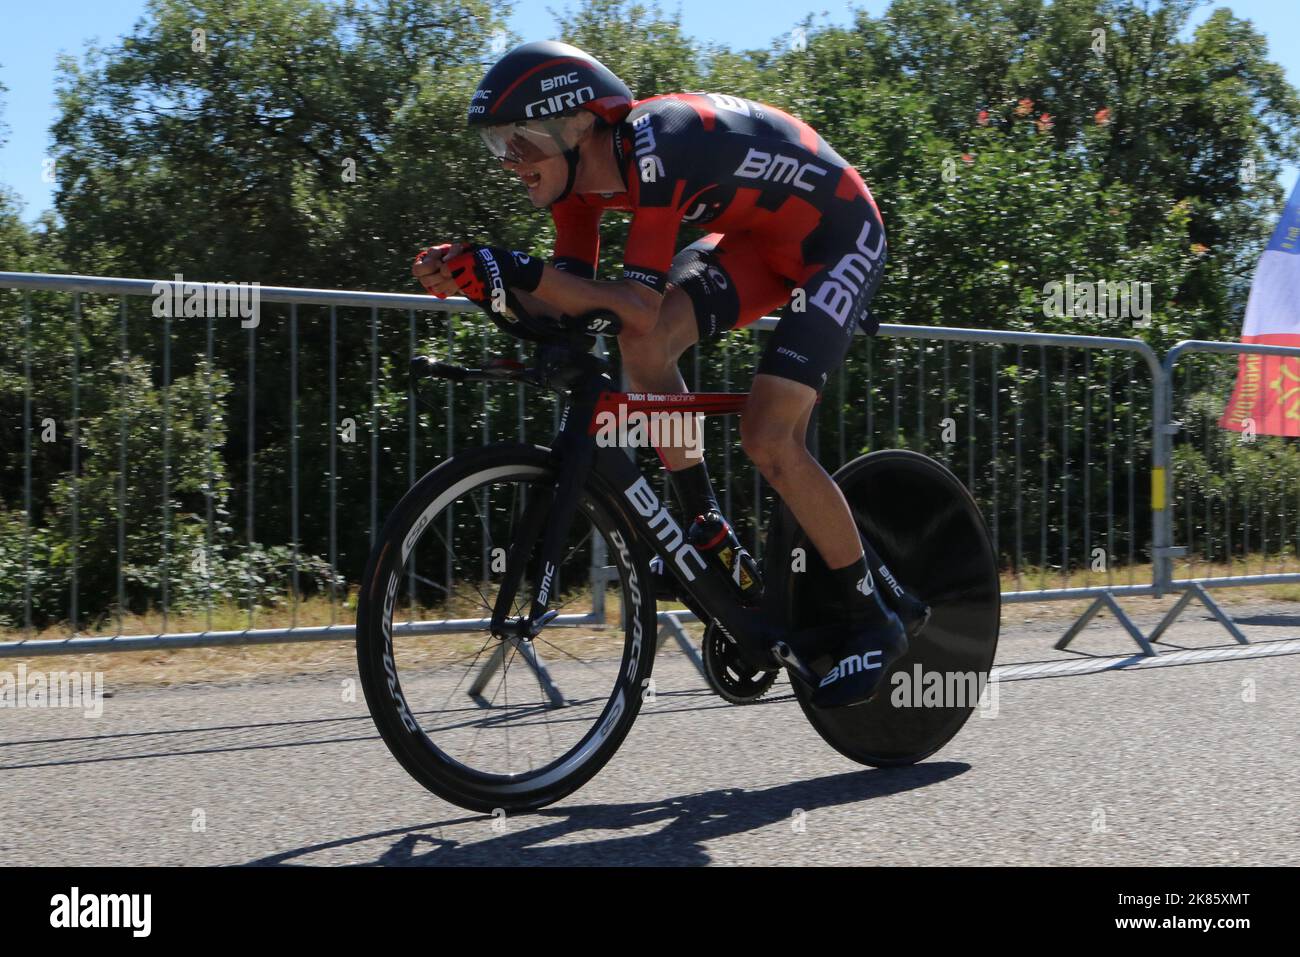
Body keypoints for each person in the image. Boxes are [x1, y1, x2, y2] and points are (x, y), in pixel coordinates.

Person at [413, 40, 905, 709]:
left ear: (578, 122)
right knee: (640, 342)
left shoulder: (656, 143)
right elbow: (574, 298)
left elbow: (635, 299)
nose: (509, 163)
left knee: (767, 434)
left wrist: (517, 269)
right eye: (496, 146)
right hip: (757, 242)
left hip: (838, 235)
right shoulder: (574, 186)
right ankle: (704, 522)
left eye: (517, 140)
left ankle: (874, 616)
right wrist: (480, 279)